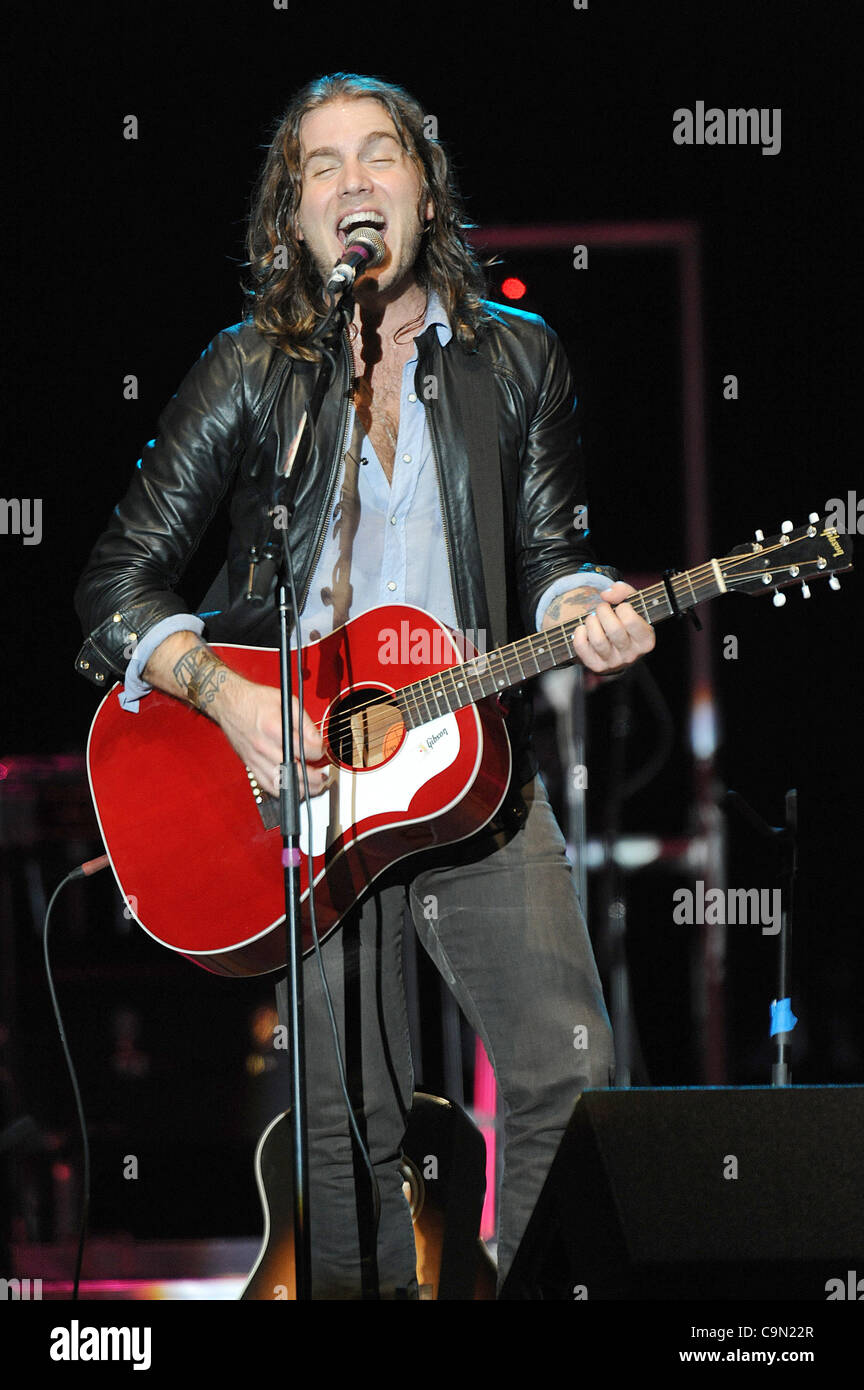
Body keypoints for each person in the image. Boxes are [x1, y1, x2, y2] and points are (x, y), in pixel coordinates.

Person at [74, 72, 655, 1298]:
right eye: (321, 166)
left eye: (378, 156)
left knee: (571, 1068)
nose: (353, 183)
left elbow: (547, 563)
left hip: (467, 770)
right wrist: (226, 698)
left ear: (422, 186)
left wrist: (581, 610)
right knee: (346, 1122)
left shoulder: (518, 359)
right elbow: (117, 583)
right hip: (307, 793)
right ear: (294, 218)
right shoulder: (248, 369)